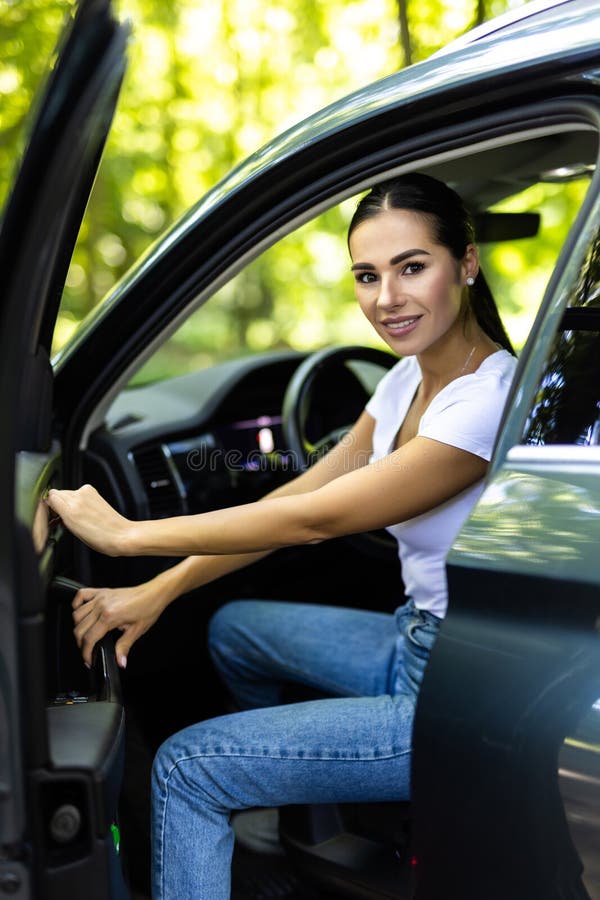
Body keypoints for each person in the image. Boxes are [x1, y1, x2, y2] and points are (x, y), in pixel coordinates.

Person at [46, 173, 518, 900]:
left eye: (412, 267)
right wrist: (159, 590)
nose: (386, 298)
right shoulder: (405, 381)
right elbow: (299, 493)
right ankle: (269, 821)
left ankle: (225, 796)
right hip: (415, 639)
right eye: (368, 275)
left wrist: (127, 536)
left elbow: (314, 520)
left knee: (186, 768)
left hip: (459, 697)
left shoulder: (487, 402)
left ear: (467, 263)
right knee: (235, 629)